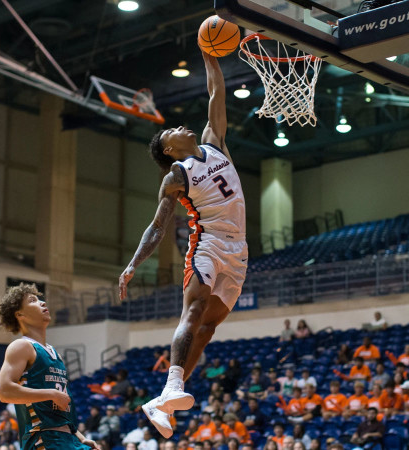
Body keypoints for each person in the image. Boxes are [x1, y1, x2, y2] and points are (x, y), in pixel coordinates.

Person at [119, 50, 247, 438]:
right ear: (168, 149)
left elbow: (216, 91)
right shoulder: (176, 175)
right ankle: (174, 385)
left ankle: (162, 399)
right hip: (207, 243)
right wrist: (133, 263)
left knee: (207, 329)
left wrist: (210, 55)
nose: (180, 126)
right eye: (171, 131)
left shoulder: (214, 142)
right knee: (193, 311)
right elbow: (158, 227)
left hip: (239, 250)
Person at [0, 283, 99, 450]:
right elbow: (4, 391)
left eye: (40, 299)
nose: (42, 302)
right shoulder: (21, 346)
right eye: (33, 301)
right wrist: (51, 394)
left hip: (67, 439)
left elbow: (60, 409)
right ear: (20, 314)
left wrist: (79, 436)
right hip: (43, 439)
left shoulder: (54, 353)